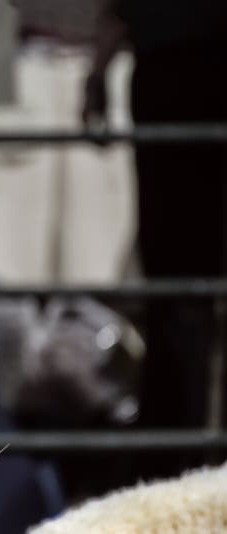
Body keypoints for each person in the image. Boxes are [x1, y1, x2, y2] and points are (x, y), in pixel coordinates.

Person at [83, 0, 227, 478]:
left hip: (171, 66)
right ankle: (172, 461)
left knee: (177, 288)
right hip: (171, 65)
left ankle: (170, 463)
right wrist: (99, 72)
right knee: (175, 287)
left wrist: (98, 73)